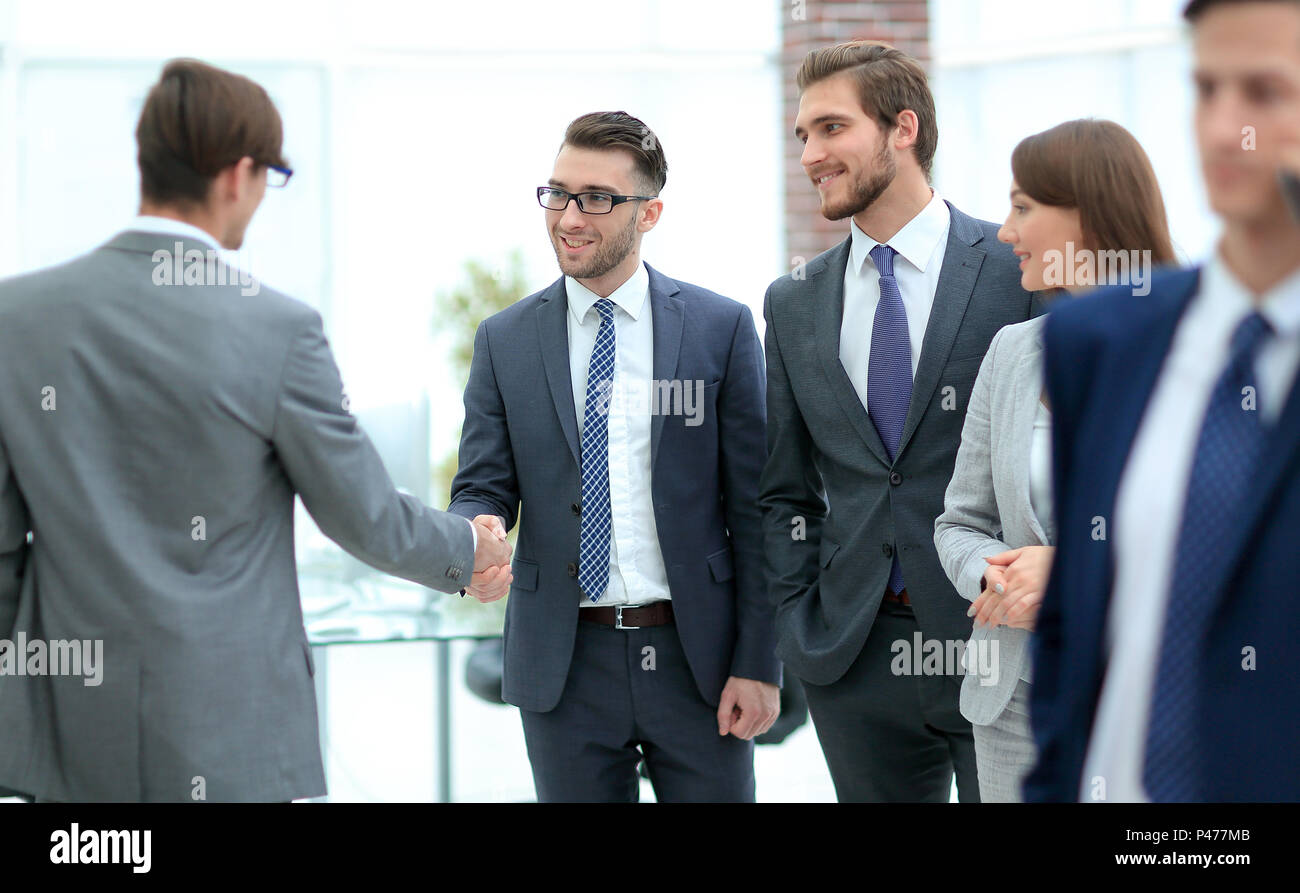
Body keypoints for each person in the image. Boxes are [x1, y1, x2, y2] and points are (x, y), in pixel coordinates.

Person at [0, 58, 511, 802]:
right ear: (238, 175)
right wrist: (470, 550)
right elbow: (364, 514)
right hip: (228, 737)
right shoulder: (275, 327)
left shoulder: (18, 319)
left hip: (69, 737)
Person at [449, 111, 780, 802]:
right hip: (565, 664)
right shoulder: (505, 340)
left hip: (700, 660)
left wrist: (760, 662)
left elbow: (757, 511)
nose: (569, 216)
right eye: (557, 192)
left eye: (596, 197)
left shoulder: (719, 329)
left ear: (649, 212)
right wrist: (477, 527)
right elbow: (483, 482)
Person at [1026, 0, 1300, 802]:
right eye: (1205, 88)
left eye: (1264, 92)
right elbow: (1074, 628)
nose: (1223, 129)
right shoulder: (1100, 340)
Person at [759, 40, 1037, 802]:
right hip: (853, 657)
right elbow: (782, 489)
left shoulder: (1017, 272)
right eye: (802, 136)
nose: (811, 154)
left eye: (830, 128)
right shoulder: (793, 302)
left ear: (902, 128)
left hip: (998, 644)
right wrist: (798, 622)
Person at [934, 119, 1175, 802]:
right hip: (1014, 705)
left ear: (1088, 212)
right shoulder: (1014, 351)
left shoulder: (1197, 348)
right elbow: (958, 521)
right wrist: (999, 576)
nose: (1005, 231)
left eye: (1022, 207)